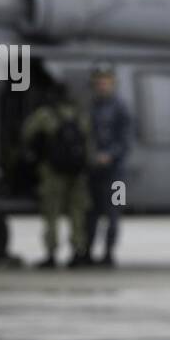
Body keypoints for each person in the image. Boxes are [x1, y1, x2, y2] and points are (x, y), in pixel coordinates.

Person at [21, 79, 92, 268]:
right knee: (77, 213)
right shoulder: (81, 116)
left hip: (52, 172)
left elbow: (26, 134)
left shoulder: (45, 115)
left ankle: (51, 254)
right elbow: (89, 144)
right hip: (77, 173)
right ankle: (78, 252)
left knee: (51, 213)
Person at [85, 66, 133, 267]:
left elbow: (127, 141)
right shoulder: (92, 107)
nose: (102, 84)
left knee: (114, 213)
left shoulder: (122, 108)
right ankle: (86, 251)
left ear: (112, 83)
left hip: (116, 174)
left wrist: (110, 155)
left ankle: (109, 253)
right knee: (90, 214)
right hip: (94, 173)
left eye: (105, 80)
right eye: (99, 81)